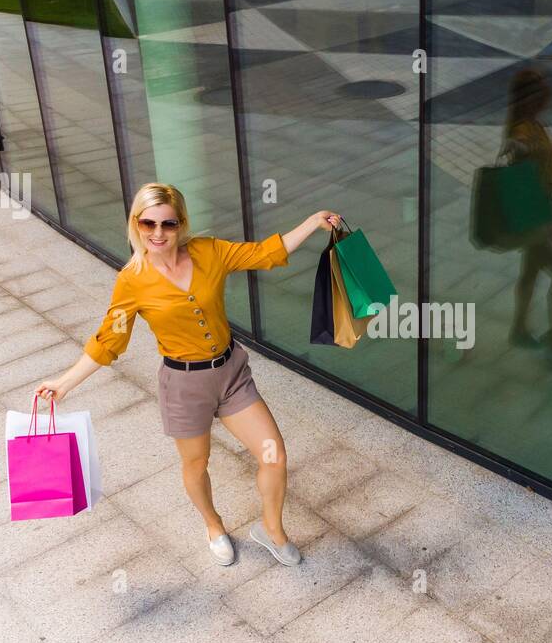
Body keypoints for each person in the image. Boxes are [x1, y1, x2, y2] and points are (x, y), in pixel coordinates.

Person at [36, 182, 341, 567]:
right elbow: (108, 340)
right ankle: (213, 525)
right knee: (197, 464)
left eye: (168, 224)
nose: (158, 233)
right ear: (136, 224)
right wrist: (63, 383)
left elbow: (265, 253)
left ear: (181, 224)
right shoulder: (132, 281)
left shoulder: (208, 251)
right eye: (149, 224)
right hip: (183, 386)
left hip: (231, 375)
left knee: (273, 454)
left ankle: (271, 530)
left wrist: (313, 222)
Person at [502, 67, 552, 369]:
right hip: (533, 220)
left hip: (542, 213)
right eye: (541, 94)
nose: (547, 98)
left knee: (530, 273)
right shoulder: (522, 131)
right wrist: (517, 149)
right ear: (530, 98)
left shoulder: (532, 124)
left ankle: (519, 329)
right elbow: (517, 156)